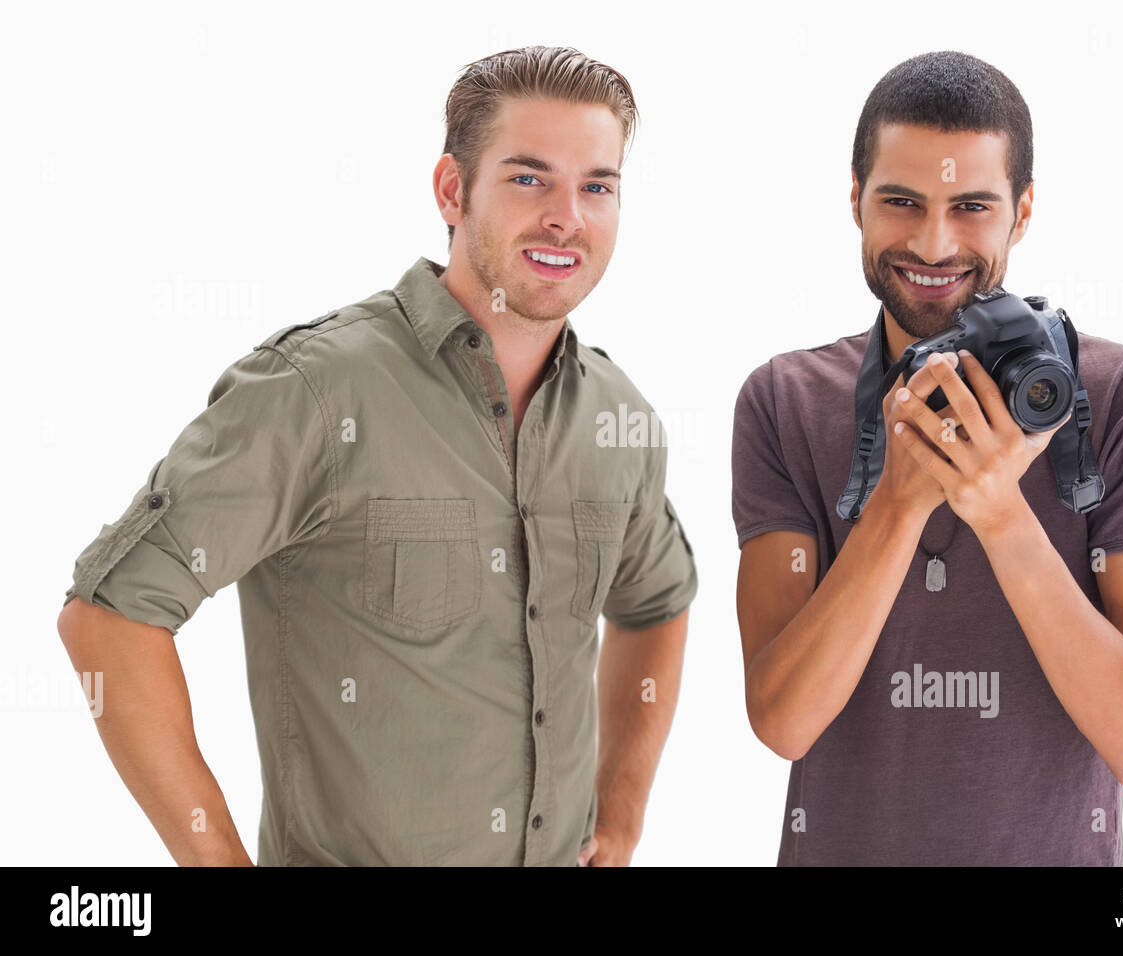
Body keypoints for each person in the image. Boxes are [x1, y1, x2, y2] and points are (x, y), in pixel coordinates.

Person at [58, 45, 697, 867]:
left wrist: (623, 814)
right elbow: (109, 617)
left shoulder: (621, 417)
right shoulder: (316, 392)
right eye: (529, 178)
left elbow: (658, 601)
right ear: (452, 191)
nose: (566, 217)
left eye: (597, 186)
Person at [731, 50, 1123, 865]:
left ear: (1022, 212)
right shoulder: (785, 400)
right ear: (855, 201)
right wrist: (900, 500)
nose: (934, 242)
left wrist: (1000, 512)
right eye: (901, 201)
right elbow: (783, 720)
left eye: (972, 205)